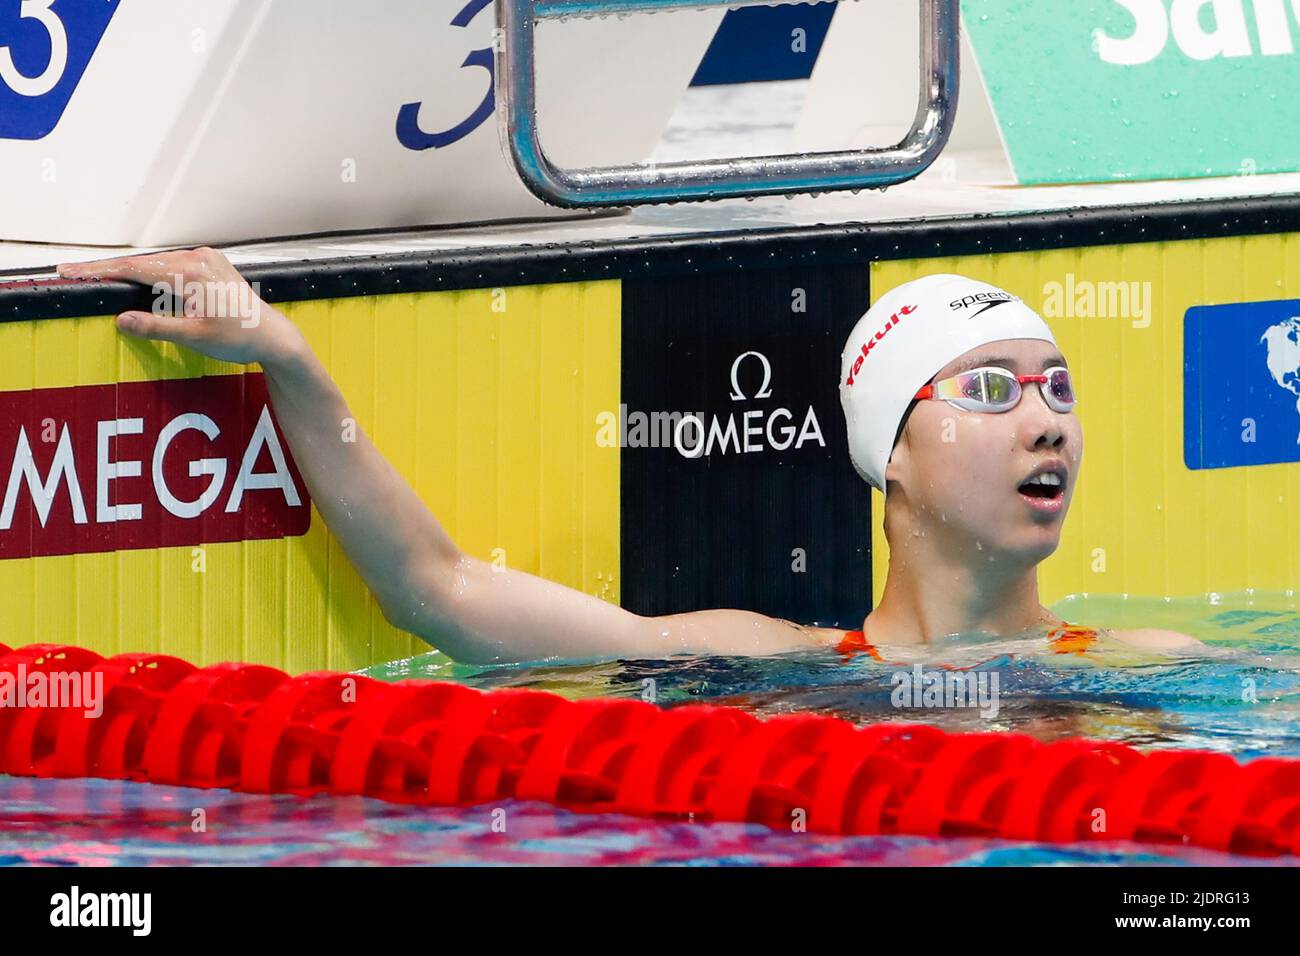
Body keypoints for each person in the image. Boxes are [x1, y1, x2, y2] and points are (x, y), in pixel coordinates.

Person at [56, 249, 1199, 664]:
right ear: (888, 454)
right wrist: (287, 359)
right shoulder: (773, 663)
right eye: (991, 390)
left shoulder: (1154, 666)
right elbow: (440, 592)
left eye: (1057, 389)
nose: (1045, 421)